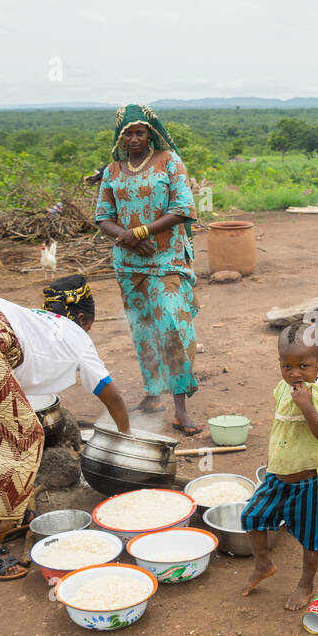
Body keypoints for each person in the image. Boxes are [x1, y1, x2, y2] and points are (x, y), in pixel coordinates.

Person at [0, 275, 131, 580]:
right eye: (89, 324)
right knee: (26, 440)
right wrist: (126, 437)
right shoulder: (77, 336)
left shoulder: (36, 318)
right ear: (82, 318)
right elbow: (114, 398)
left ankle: (8, 515)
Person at [94, 104, 202, 436]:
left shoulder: (170, 161)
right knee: (143, 331)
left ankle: (180, 409)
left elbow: (184, 207)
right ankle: (153, 395)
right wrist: (126, 239)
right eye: (127, 132)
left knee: (173, 328)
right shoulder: (112, 170)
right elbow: (102, 217)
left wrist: (142, 232)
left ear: (151, 133)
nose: (133, 138)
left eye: (139, 131)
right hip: (129, 265)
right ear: (120, 136)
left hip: (167, 260)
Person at [241, 322, 318, 610]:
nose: (294, 373)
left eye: (304, 365)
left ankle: (306, 583)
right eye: (287, 366)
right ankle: (263, 564)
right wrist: (274, 459)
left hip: (309, 482)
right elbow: (282, 428)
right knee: (251, 517)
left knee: (311, 538)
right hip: (277, 476)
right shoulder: (283, 389)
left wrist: (307, 407)